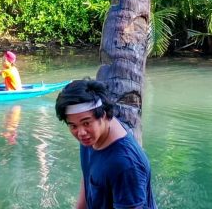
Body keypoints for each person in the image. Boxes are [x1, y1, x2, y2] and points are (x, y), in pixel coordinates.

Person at [56, 79, 157, 209]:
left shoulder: (126, 164)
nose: (80, 132)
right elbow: (87, 176)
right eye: (73, 126)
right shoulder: (91, 136)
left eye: (86, 123)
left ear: (103, 115)